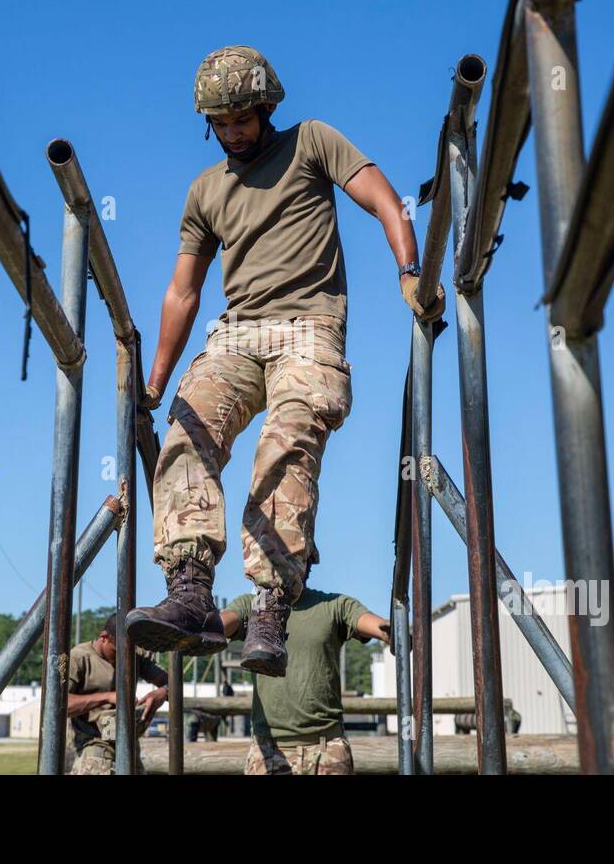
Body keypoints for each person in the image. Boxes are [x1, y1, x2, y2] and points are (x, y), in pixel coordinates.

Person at [126, 45, 442, 677]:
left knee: (287, 440)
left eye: (243, 116)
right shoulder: (205, 191)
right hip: (238, 332)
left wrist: (409, 270)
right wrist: (154, 383)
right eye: (220, 121)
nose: (233, 130)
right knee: (188, 430)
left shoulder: (311, 143)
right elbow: (183, 290)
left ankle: (269, 604)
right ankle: (190, 588)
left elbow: (385, 198)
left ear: (267, 108)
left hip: (309, 327)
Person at [221, 564, 389, 775]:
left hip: (326, 749)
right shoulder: (254, 606)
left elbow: (372, 623)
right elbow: (224, 622)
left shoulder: (334, 605)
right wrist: (203, 626)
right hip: (268, 749)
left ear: (308, 560)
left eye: (294, 556)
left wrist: (388, 631)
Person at [65, 613, 169, 775]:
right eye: (117, 651)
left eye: (128, 652)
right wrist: (107, 697)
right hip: (93, 743)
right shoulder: (78, 658)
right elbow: (59, 705)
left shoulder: (136, 655)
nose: (124, 657)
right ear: (104, 637)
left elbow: (172, 682)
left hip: (127, 742)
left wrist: (162, 693)